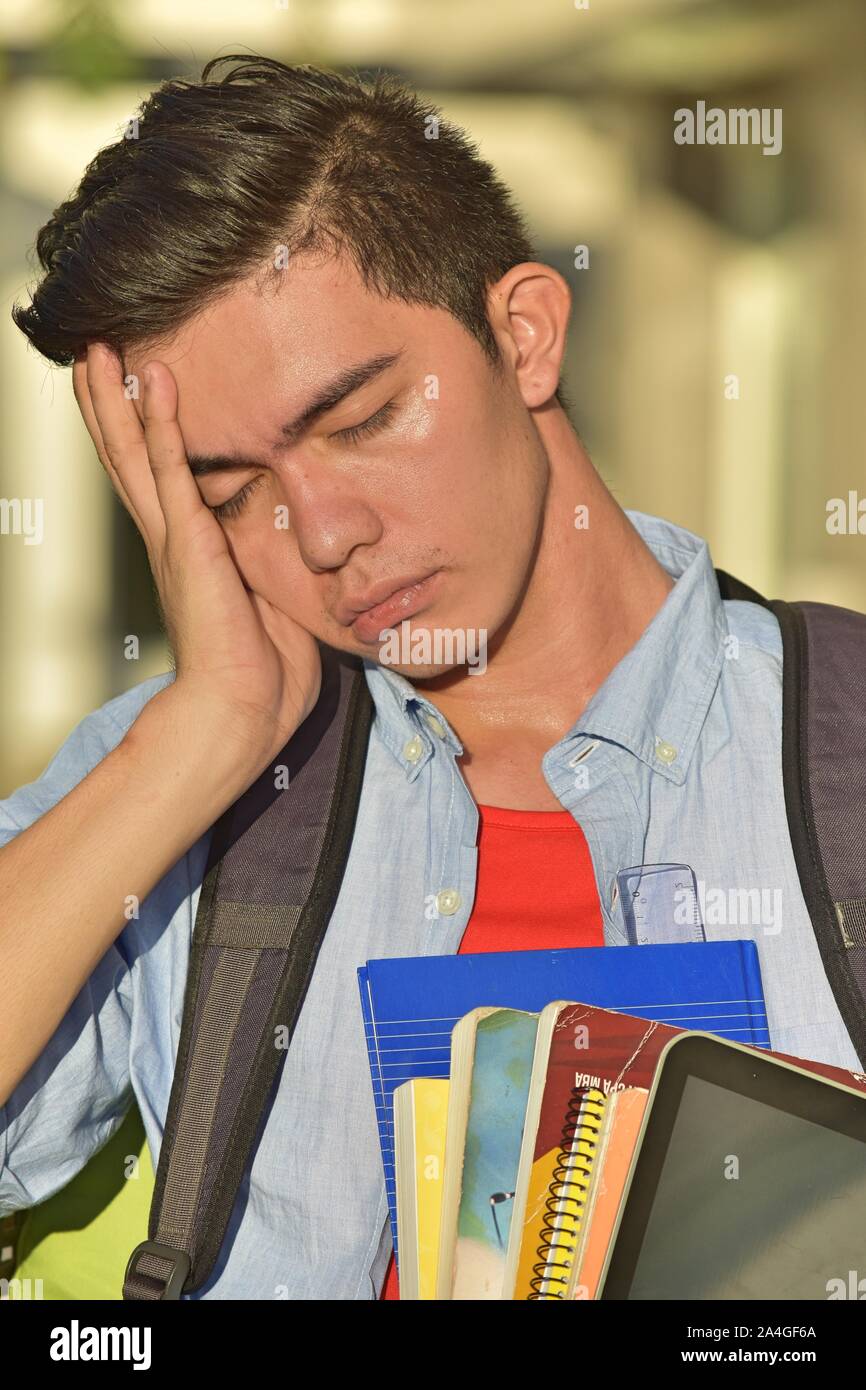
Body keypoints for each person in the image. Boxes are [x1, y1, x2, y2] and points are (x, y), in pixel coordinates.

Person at [1, 54, 859, 1302]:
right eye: (231, 493)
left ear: (524, 333)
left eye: (360, 422)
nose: (322, 533)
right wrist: (200, 738)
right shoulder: (181, 786)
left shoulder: (836, 744)